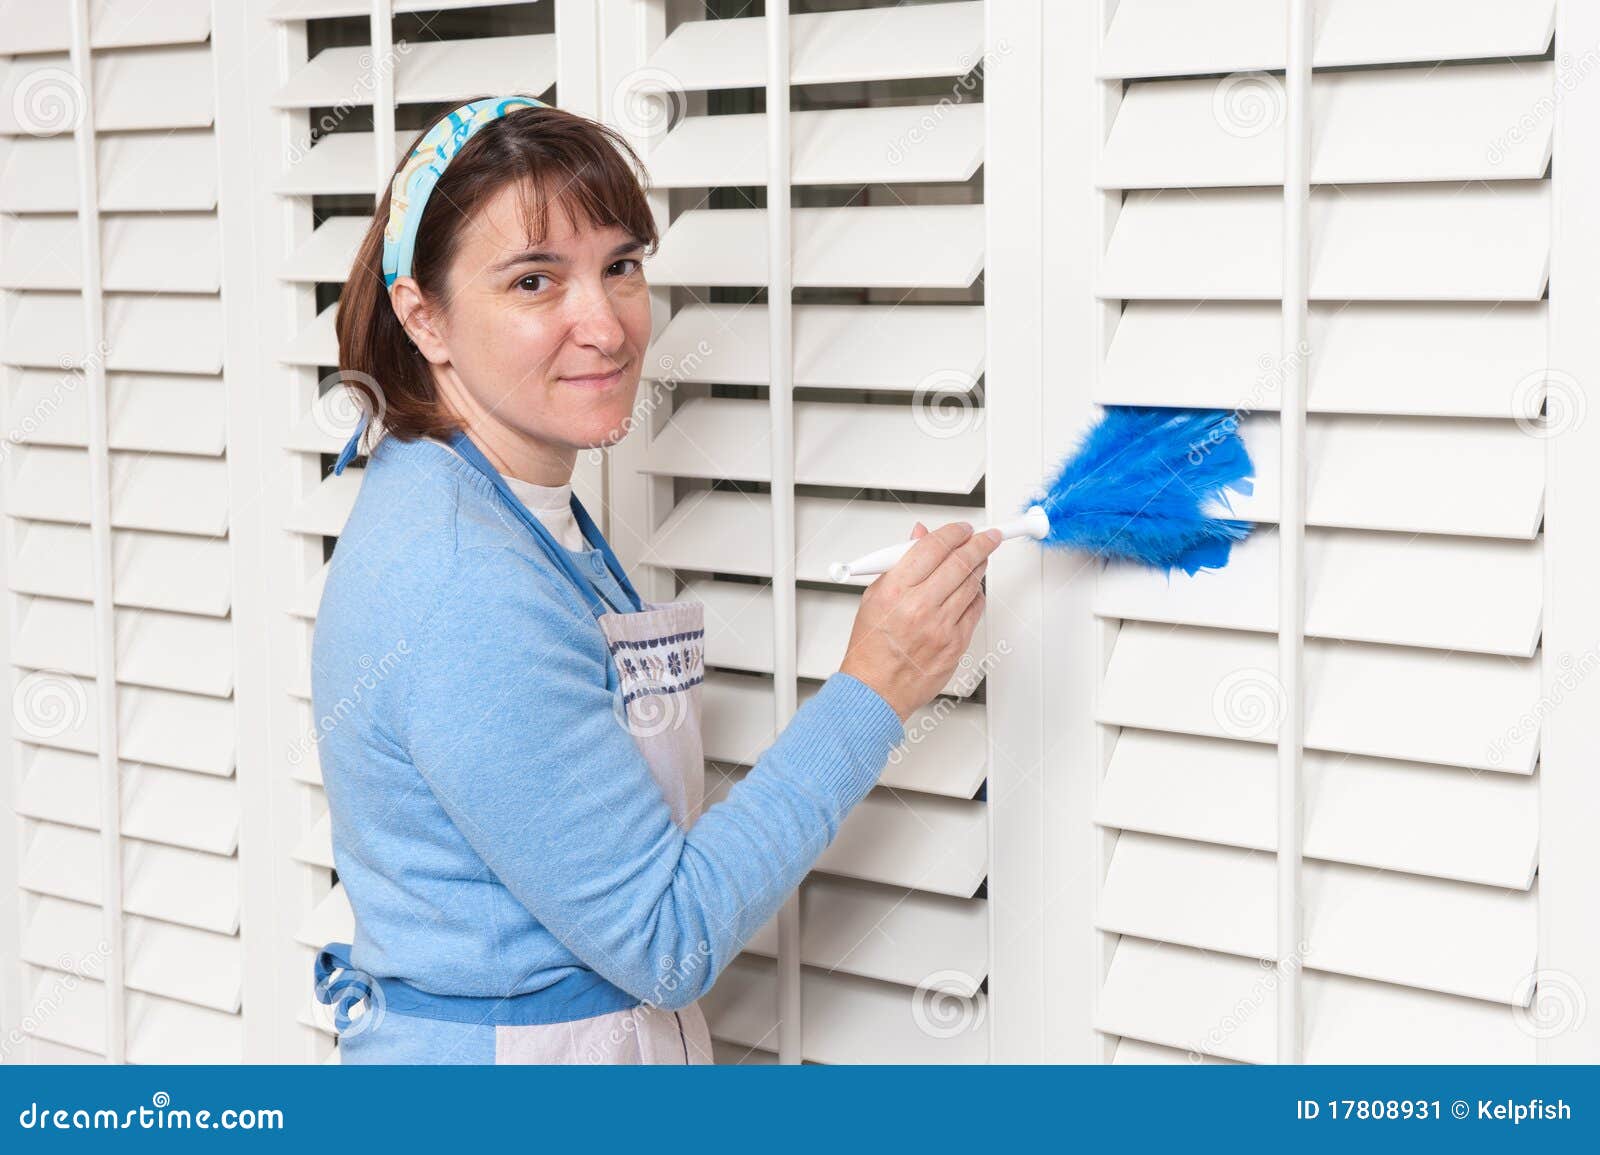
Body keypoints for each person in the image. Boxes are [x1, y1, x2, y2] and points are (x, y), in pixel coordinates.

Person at [309, 95, 998, 1064]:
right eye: (535, 281)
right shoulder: (462, 583)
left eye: (621, 267)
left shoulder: (503, 503)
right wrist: (875, 688)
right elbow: (664, 944)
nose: (608, 326)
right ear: (424, 316)